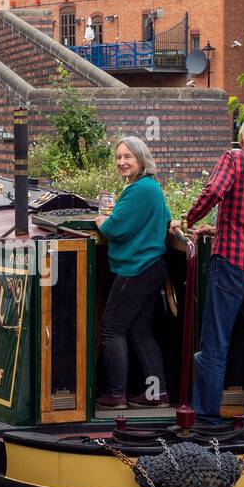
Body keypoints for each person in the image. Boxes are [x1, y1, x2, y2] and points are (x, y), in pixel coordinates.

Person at [173, 116, 244, 436]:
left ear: (242, 137)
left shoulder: (233, 158)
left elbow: (213, 193)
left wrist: (187, 219)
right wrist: (216, 227)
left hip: (233, 262)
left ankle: (208, 417)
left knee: (216, 341)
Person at [93, 136, 171, 410]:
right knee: (140, 332)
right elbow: (167, 217)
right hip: (151, 268)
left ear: (141, 159)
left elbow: (115, 228)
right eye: (118, 157)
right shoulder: (150, 188)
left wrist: (102, 220)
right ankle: (156, 393)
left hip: (136, 269)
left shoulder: (139, 189)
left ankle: (116, 396)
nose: (122, 162)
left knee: (112, 329)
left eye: (128, 157)